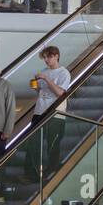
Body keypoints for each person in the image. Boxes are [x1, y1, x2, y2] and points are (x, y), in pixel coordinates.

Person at [28, 45, 72, 175]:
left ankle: (52, 171)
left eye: (49, 57)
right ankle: (33, 172)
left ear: (56, 56)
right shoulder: (44, 70)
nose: (47, 60)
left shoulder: (64, 73)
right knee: (33, 142)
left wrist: (47, 79)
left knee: (52, 144)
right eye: (45, 57)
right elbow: (40, 91)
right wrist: (35, 86)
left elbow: (60, 93)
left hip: (55, 113)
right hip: (39, 111)